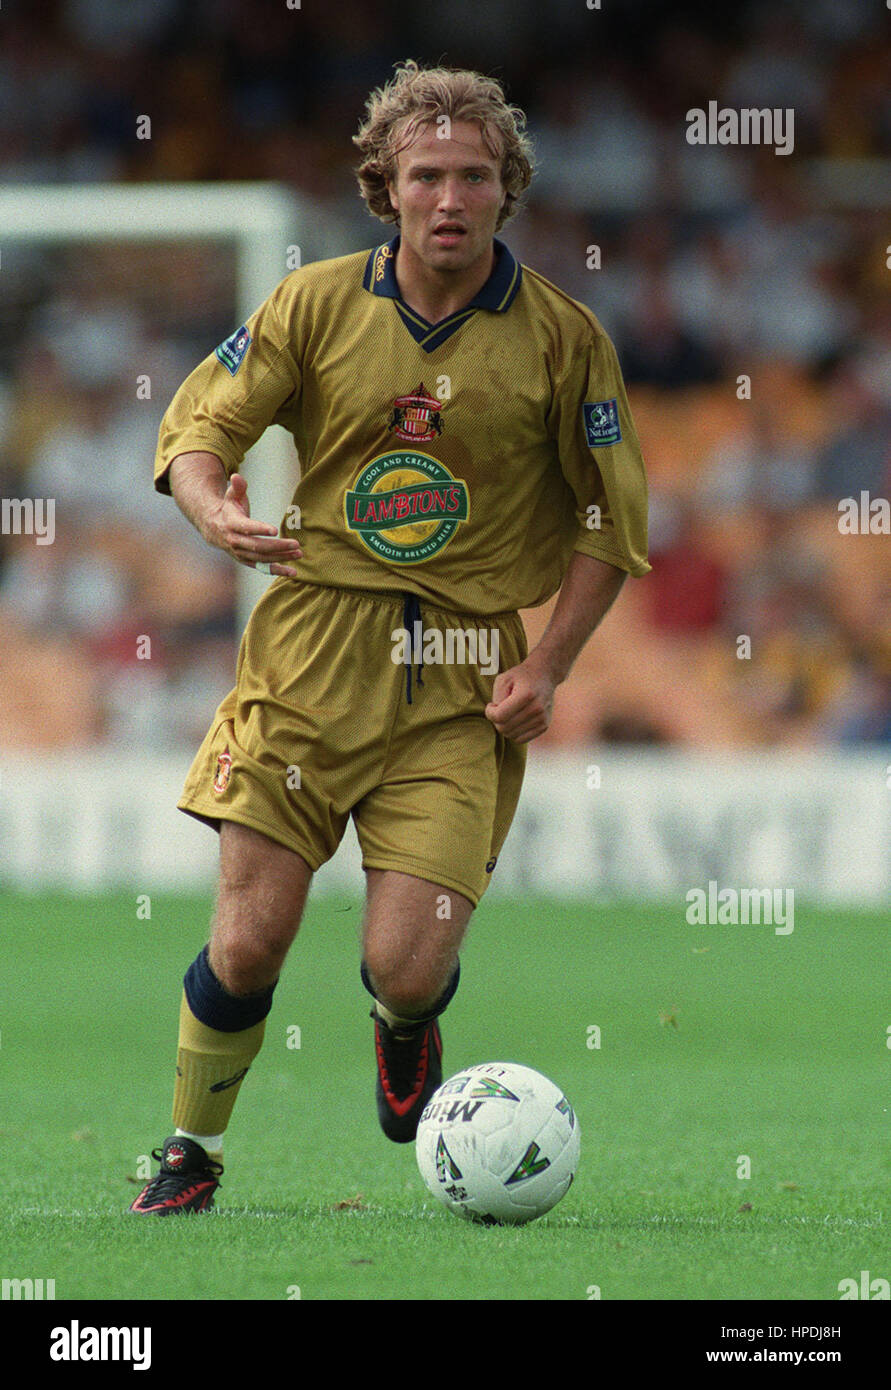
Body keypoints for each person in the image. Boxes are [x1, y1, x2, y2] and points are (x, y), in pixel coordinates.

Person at [130, 59, 649, 1214]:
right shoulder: (314, 302)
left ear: (508, 187)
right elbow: (199, 428)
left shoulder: (566, 341)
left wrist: (549, 667)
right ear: (387, 185)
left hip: (462, 672)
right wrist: (213, 506)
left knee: (405, 963)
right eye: (427, 176)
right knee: (250, 938)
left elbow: (614, 526)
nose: (450, 198)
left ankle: (405, 1021)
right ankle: (188, 1156)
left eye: (474, 176)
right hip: (311, 651)